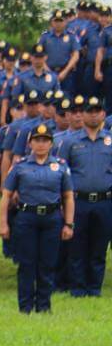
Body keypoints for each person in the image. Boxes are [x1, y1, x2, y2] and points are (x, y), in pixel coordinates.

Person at [0, 123, 75, 314]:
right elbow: (6, 195)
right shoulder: (20, 166)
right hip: (27, 218)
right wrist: (3, 222)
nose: (41, 144)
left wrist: (69, 223)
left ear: (51, 143)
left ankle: (44, 305)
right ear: (30, 143)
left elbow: (68, 196)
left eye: (45, 140)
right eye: (37, 140)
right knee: (26, 264)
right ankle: (25, 307)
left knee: (47, 264)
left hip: (51, 218)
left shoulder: (60, 166)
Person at [60, 97, 111, 296]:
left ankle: (94, 288)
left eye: (97, 111)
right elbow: (63, 174)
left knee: (99, 248)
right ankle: (78, 288)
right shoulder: (70, 142)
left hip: (104, 201)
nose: (92, 114)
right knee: (77, 247)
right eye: (89, 111)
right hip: (78, 201)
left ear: (103, 115)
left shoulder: (109, 141)